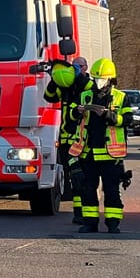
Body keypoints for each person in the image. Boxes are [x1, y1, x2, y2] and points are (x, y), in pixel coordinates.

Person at [69, 57, 133, 234]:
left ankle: (113, 223)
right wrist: (77, 111)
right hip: (88, 153)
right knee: (88, 190)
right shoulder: (85, 95)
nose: (98, 82)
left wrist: (109, 116)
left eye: (102, 79)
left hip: (110, 155)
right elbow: (70, 117)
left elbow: (127, 120)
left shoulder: (121, 97)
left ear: (110, 79)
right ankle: (90, 223)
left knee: (112, 191)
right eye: (95, 78)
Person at [43, 56, 91, 224]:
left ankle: (85, 214)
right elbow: (49, 97)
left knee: (82, 177)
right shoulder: (65, 86)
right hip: (66, 139)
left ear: (86, 67)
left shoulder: (88, 85)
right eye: (74, 66)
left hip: (84, 139)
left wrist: (79, 78)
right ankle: (79, 214)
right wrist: (55, 79)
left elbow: (89, 90)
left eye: (80, 66)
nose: (77, 68)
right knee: (74, 177)